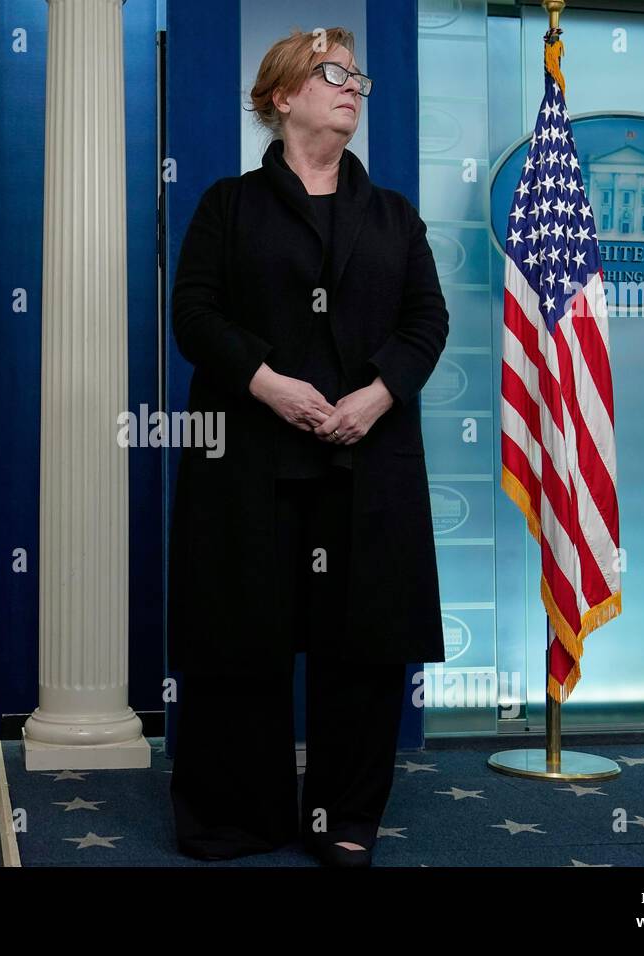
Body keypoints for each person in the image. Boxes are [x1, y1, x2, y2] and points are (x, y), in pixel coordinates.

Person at [167, 28, 449, 866]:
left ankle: (345, 819)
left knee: (361, 650)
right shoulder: (228, 204)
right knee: (239, 642)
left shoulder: (394, 214)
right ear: (283, 96)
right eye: (333, 73)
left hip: (367, 462)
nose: (354, 85)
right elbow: (194, 314)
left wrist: (377, 394)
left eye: (359, 74)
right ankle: (237, 818)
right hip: (252, 464)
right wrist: (268, 382)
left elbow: (426, 322)